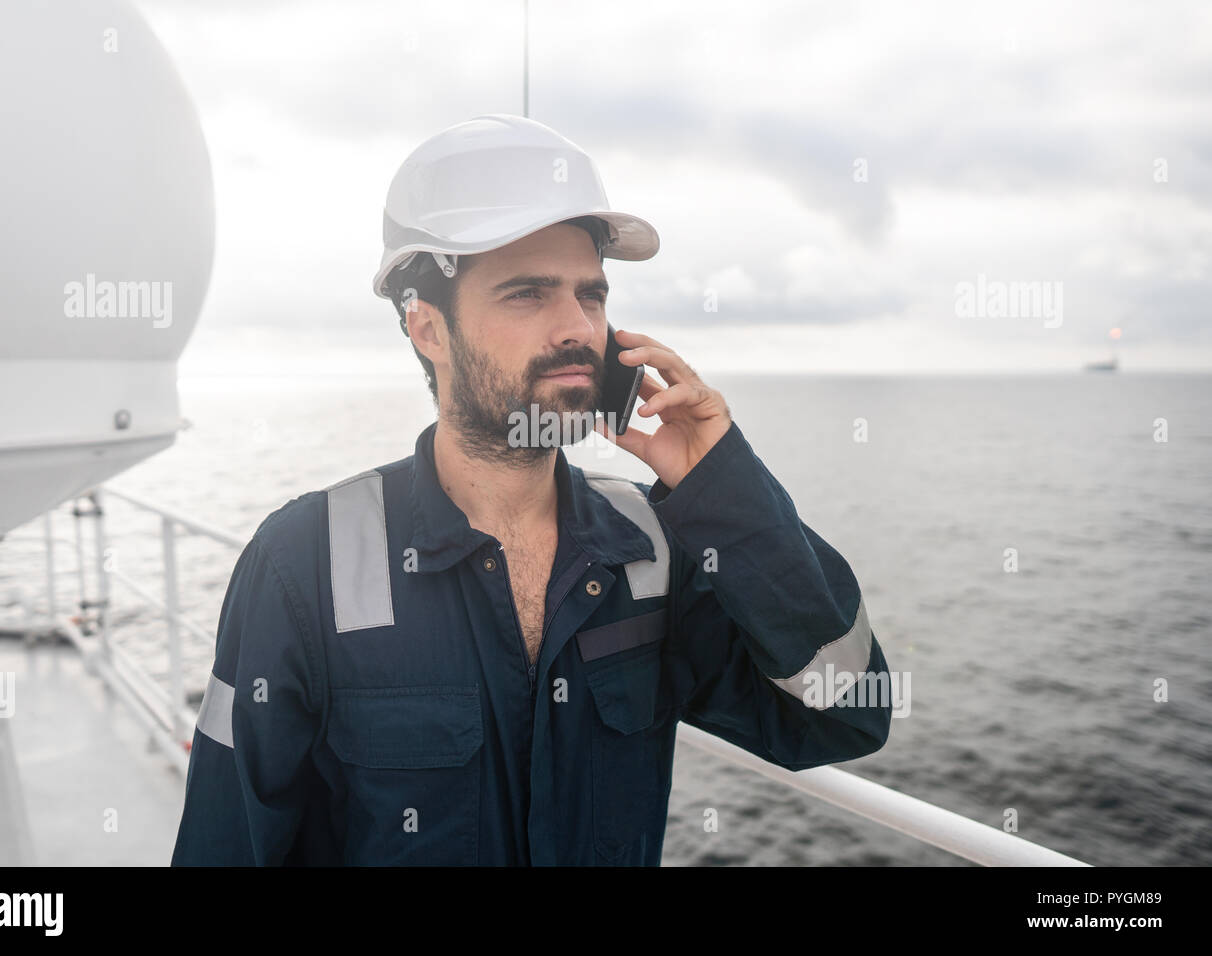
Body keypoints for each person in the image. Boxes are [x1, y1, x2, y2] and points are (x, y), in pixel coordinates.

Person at [171, 114, 891, 866]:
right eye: (527, 295)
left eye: (591, 294)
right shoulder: (303, 565)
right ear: (428, 330)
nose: (577, 328)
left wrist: (722, 485)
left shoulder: (651, 551)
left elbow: (842, 714)